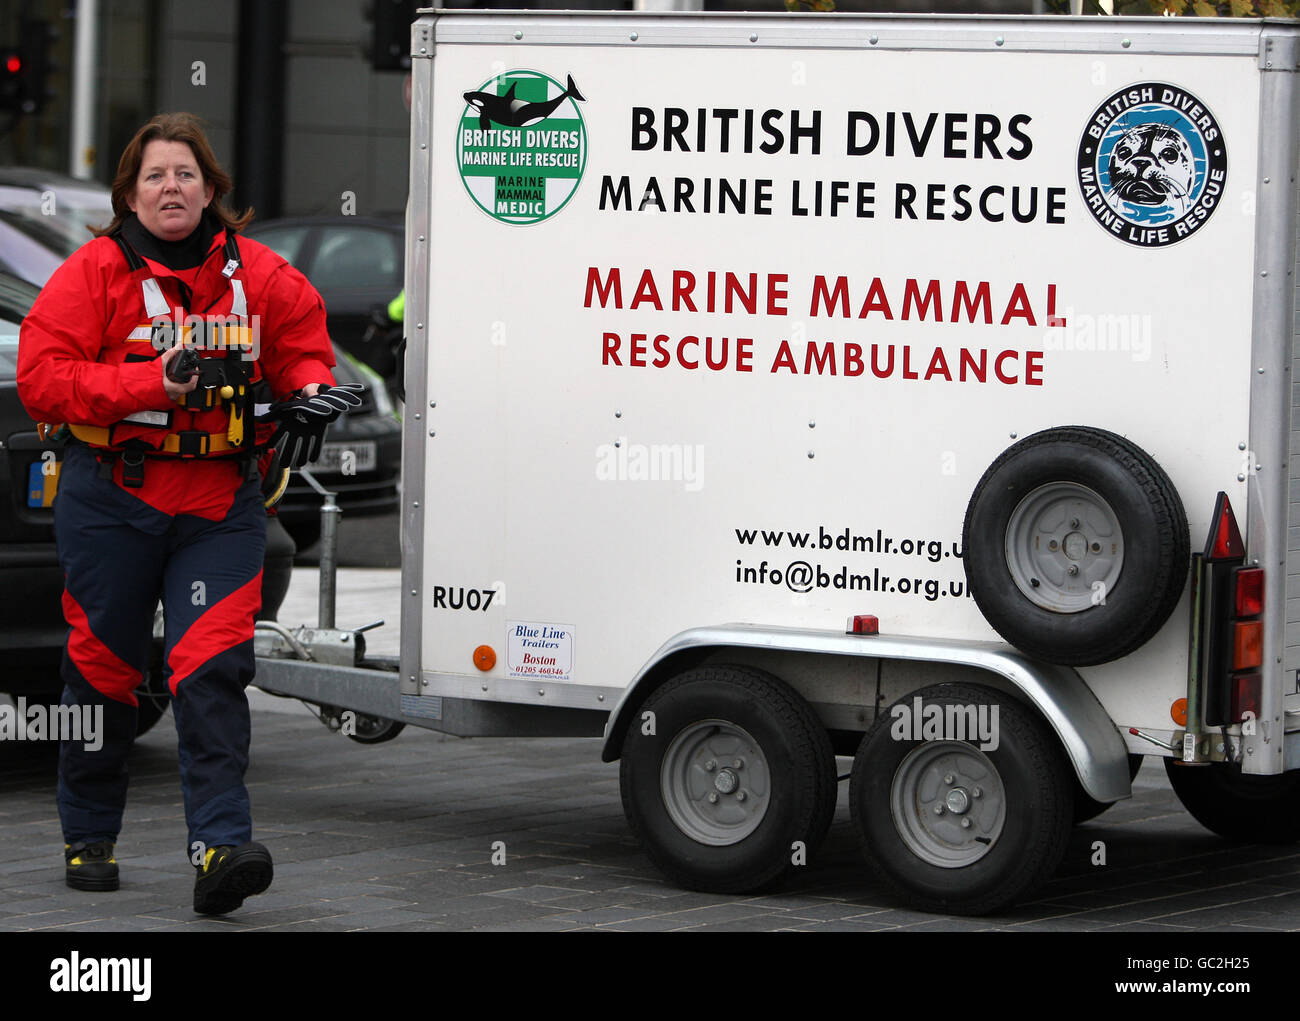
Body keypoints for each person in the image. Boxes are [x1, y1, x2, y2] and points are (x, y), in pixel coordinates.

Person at [17, 112, 361, 915]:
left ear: (211, 189)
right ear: (128, 195)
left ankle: (219, 845)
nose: (171, 187)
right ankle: (89, 832)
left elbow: (306, 348)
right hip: (112, 499)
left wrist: (311, 390)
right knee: (103, 673)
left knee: (211, 673)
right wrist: (150, 385)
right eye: (154, 176)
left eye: (185, 174)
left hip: (219, 504)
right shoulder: (93, 273)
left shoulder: (261, 276)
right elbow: (42, 377)